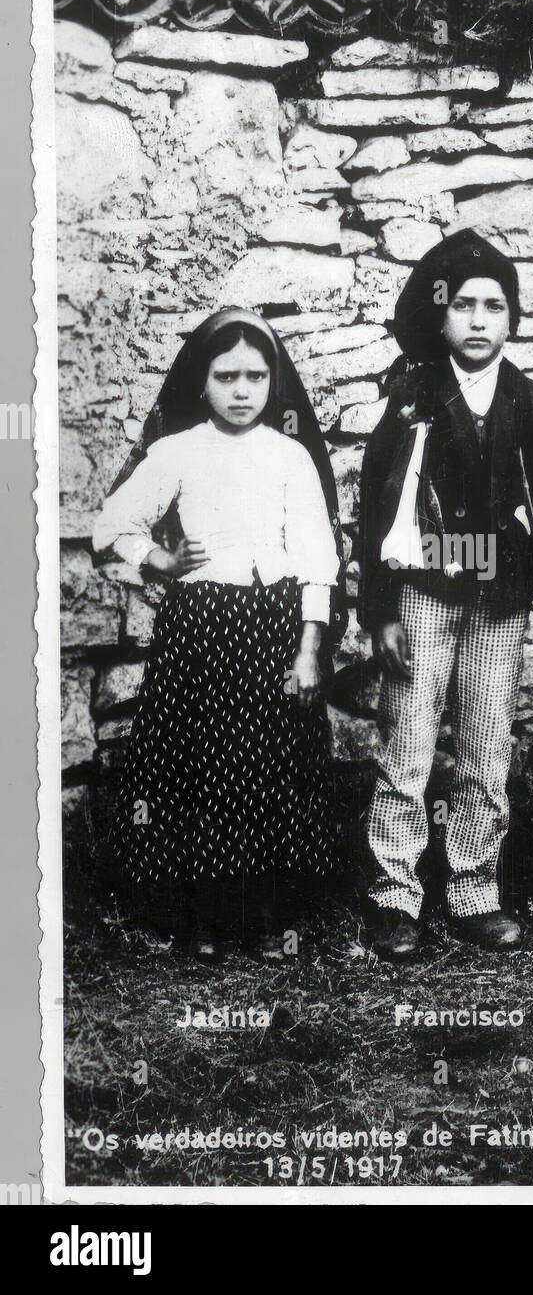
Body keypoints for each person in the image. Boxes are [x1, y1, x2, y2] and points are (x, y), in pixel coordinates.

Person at [92, 308, 346, 962]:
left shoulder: (289, 455)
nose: (241, 390)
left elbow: (317, 554)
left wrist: (309, 648)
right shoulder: (177, 451)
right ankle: (200, 917)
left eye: (255, 377)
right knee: (200, 767)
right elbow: (113, 525)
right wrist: (162, 561)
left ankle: (263, 915)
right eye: (226, 375)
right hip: (198, 629)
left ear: (272, 384)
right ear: (200, 383)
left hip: (273, 627)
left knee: (267, 767)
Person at [359, 229, 533, 960]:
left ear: (512, 319)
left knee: (486, 743)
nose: (479, 319)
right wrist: (379, 610)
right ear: (443, 316)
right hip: (424, 594)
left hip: (500, 599)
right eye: (464, 305)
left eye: (494, 305)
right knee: (410, 738)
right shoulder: (410, 398)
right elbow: (378, 507)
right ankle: (395, 893)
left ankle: (473, 888)